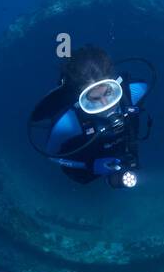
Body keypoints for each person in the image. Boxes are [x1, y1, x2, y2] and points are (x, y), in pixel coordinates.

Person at [28, 46, 151, 188]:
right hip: (88, 161)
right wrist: (90, 165)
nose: (106, 104)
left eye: (108, 92)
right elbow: (51, 155)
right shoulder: (66, 123)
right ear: (79, 97)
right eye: (94, 98)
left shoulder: (136, 91)